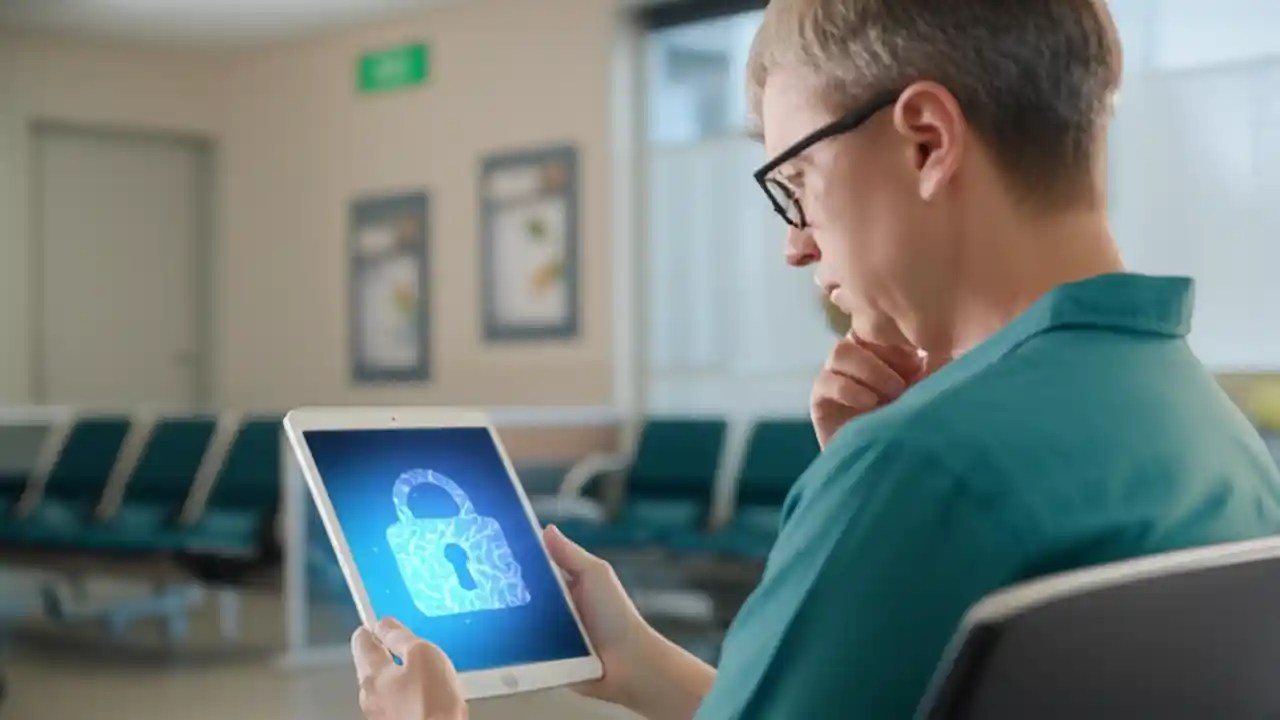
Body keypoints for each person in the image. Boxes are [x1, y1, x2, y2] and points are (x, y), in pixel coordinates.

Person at [350, 0, 1280, 717]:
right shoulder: (1219, 440)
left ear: (926, 140)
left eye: (796, 181)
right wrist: (636, 662)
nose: (796, 248)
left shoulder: (919, 470)